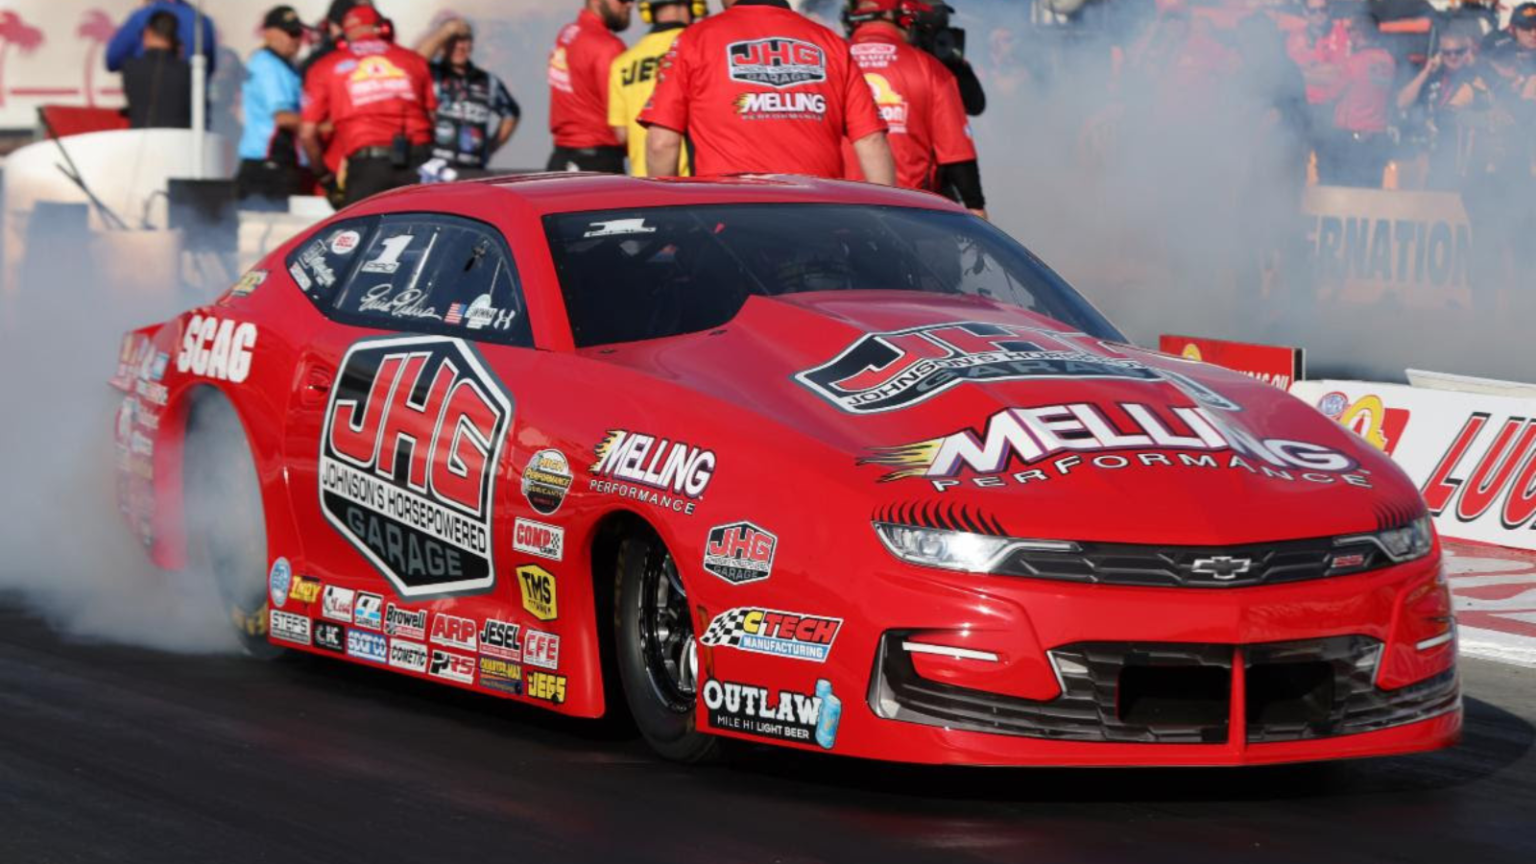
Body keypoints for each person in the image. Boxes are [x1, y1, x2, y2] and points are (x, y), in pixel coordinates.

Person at [641, 0, 895, 183]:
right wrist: (885, 220)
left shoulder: (695, 39)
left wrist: (668, 220)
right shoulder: (830, 42)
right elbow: (871, 141)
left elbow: (661, 144)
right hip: (818, 219)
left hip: (725, 224)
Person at [843, 0, 984, 214]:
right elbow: (957, 152)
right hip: (910, 214)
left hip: (834, 209)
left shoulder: (829, 58)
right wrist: (976, 207)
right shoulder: (928, 67)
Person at [300, 5, 437, 206]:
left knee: (364, 235)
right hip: (419, 162)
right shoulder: (414, 60)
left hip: (366, 168)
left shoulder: (325, 66)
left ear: (343, 35)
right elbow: (433, 116)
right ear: (383, 28)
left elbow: (307, 134)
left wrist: (325, 178)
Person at [416, 18, 522, 174]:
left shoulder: (487, 80)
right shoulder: (432, 74)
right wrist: (445, 31)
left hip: (473, 170)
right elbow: (413, 61)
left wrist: (491, 147)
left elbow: (511, 114)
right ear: (442, 45)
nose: (459, 46)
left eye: (465, 41)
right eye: (453, 40)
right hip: (435, 168)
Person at [609, 0, 700, 176]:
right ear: (695, 5)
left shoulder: (622, 63)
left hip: (644, 186)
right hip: (692, 185)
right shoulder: (696, 46)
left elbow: (621, 134)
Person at [1396, 27, 1493, 188]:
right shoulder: (1432, 77)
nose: (1453, 57)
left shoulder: (1476, 78)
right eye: (1447, 52)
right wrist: (1426, 72)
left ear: (1466, 52)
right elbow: (1401, 103)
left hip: (1462, 162)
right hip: (1430, 157)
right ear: (1440, 54)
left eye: (1458, 52)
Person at [548, 0, 633, 172]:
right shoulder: (608, 46)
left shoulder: (566, 34)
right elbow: (622, 119)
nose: (630, 5)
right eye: (623, 0)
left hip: (560, 159)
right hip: (598, 161)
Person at [1315, 12, 1396, 186]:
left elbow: (1331, 94)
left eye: (1349, 31)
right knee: (1371, 192)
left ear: (1358, 33)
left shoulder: (1354, 62)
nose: (1348, 35)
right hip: (1378, 137)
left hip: (1353, 138)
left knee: (1346, 191)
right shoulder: (1388, 61)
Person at [237, 6, 307, 202]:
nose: (295, 39)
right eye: (290, 33)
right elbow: (283, 118)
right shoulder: (268, 65)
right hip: (267, 168)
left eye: (298, 33)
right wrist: (324, 126)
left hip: (275, 163)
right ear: (269, 33)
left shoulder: (285, 65)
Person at [106, 0, 217, 76]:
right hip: (188, 107)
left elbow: (112, 60)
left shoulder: (140, 17)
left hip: (147, 104)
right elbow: (208, 70)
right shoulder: (202, 21)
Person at [121, 11, 192, 129]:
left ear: (147, 33)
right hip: (180, 142)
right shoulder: (188, 71)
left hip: (141, 142)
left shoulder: (129, 67)